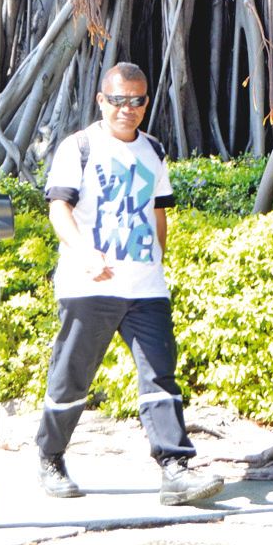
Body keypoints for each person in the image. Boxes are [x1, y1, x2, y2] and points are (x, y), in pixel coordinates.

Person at [36, 62, 222, 505]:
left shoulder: (153, 150)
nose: (128, 108)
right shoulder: (78, 147)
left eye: (137, 100)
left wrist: (156, 259)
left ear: (145, 103)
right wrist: (83, 251)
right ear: (102, 100)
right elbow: (59, 208)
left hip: (145, 290)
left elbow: (159, 210)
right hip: (88, 286)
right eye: (118, 99)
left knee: (160, 376)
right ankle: (50, 456)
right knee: (72, 376)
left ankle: (175, 469)